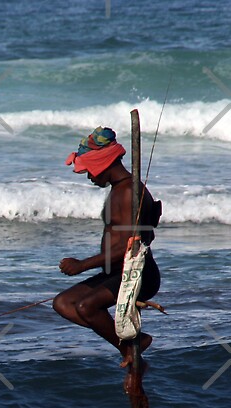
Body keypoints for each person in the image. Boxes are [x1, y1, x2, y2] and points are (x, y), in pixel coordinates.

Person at [52, 126, 161, 368]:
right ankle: (129, 345)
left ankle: (131, 347)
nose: (89, 177)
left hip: (138, 273)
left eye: (89, 170)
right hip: (116, 272)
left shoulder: (129, 192)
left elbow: (128, 247)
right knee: (63, 303)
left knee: (86, 306)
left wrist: (82, 265)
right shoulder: (119, 190)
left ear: (102, 163)